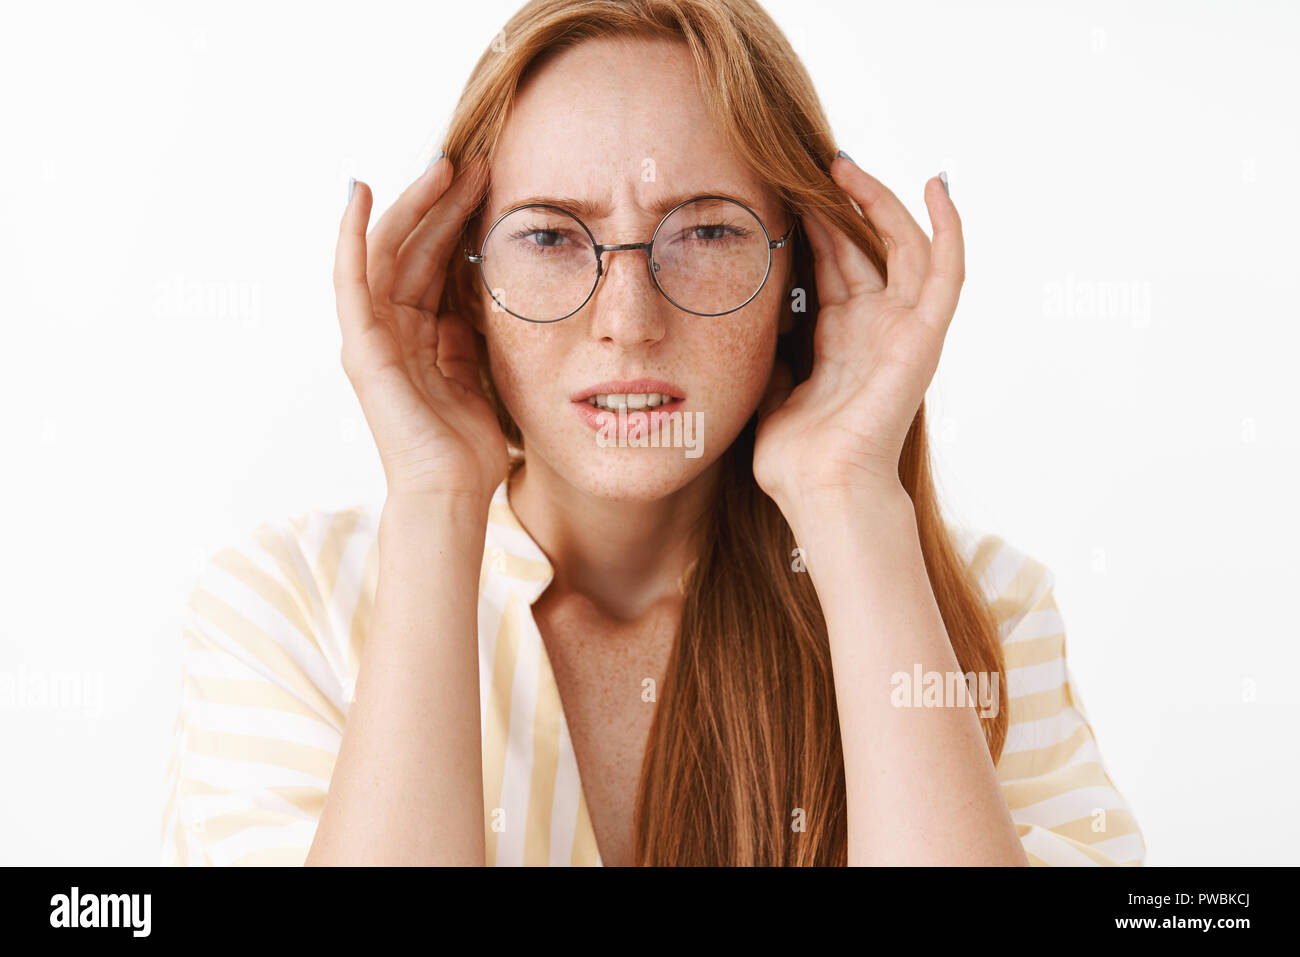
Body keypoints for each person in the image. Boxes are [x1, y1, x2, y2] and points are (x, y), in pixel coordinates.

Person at [161, 0, 1145, 866]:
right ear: (465, 282)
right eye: (550, 236)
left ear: (802, 277)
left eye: (707, 232)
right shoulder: (289, 611)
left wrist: (848, 497)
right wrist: (434, 502)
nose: (628, 319)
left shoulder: (984, 615)